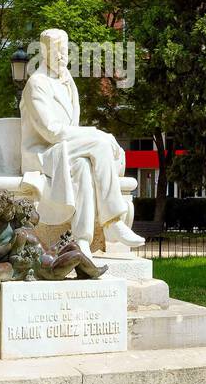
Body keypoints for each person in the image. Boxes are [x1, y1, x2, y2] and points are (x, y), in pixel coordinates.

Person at [19, 28, 143, 257]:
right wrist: (99, 136)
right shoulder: (36, 83)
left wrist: (93, 138)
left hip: (65, 151)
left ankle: (82, 239)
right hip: (42, 153)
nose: (61, 57)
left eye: (64, 51)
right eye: (56, 52)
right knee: (100, 144)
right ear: (43, 53)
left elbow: (71, 129)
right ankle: (113, 221)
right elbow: (51, 131)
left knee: (84, 166)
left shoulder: (68, 82)